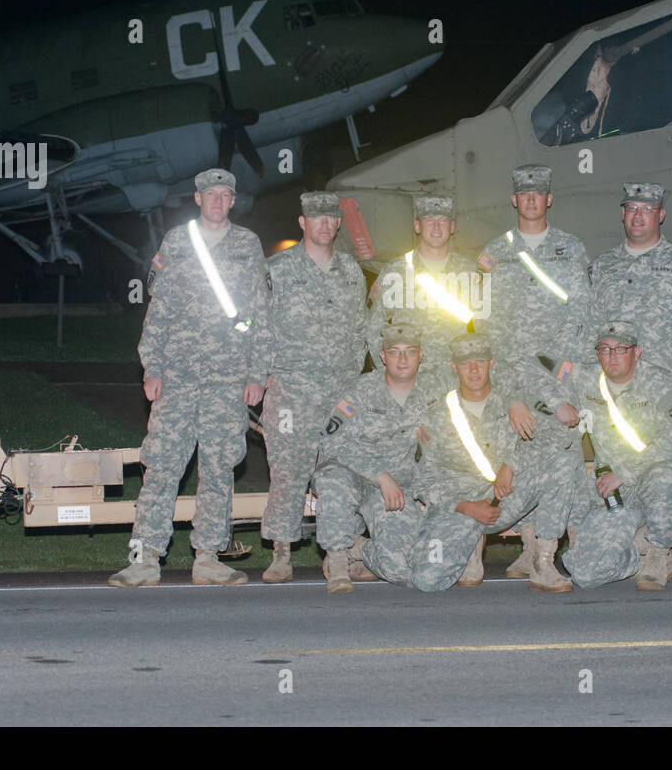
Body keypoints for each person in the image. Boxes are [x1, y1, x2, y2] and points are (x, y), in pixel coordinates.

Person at [109, 167, 270, 588]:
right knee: (162, 465)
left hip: (228, 378)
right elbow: (158, 310)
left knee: (219, 467)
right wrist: (152, 367)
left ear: (233, 201)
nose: (217, 200)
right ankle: (145, 557)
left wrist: (257, 373)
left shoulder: (247, 245)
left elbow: (259, 314)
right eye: (208, 194)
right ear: (196, 199)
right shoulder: (177, 242)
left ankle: (208, 557)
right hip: (177, 377)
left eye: (224, 194)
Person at [477, 163, 594, 591]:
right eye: (523, 193)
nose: (530, 200)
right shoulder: (495, 253)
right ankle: (524, 547)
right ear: (514, 200)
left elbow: (583, 315)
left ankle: (542, 554)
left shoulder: (570, 248)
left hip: (556, 380)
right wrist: (509, 396)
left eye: (538, 193)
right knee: (517, 460)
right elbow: (486, 331)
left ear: (549, 199)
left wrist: (566, 377)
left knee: (559, 461)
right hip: (512, 381)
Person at [547, 321, 672, 589]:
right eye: (605, 349)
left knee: (664, 478)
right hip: (616, 488)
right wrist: (554, 403)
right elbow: (540, 366)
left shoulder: (660, 383)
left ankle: (658, 552)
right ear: (597, 354)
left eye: (621, 349)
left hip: (656, 477)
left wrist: (623, 473)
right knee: (585, 575)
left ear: (637, 352)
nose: (612, 356)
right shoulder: (586, 378)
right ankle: (638, 550)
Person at [408, 333, 573, 592]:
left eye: (480, 362)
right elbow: (422, 480)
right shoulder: (436, 415)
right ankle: (470, 544)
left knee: (562, 463)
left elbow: (559, 437)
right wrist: (465, 506)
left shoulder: (513, 404)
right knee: (427, 581)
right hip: (462, 509)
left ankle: (542, 562)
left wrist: (510, 466)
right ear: (454, 367)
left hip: (504, 500)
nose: (473, 370)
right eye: (465, 363)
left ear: (492, 363)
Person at [261, 191, 369, 583]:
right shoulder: (276, 269)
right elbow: (254, 325)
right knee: (288, 470)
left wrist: (360, 382)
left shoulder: (350, 271)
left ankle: (341, 551)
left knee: (340, 470)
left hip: (339, 393)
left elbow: (362, 328)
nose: (324, 224)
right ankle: (281, 552)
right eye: (315, 218)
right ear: (303, 223)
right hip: (291, 392)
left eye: (331, 219)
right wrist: (262, 371)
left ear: (338, 224)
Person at [312, 321, 439, 593]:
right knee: (333, 480)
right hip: (353, 475)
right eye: (394, 352)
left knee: (404, 570)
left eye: (410, 351)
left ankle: (360, 549)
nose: (402, 359)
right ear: (383, 356)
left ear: (421, 355)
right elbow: (332, 442)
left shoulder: (432, 395)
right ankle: (338, 561)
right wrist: (380, 475)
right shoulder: (359, 390)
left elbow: (439, 448)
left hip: (396, 487)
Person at [588, 182, 672, 410]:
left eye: (648, 209)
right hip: (614, 391)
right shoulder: (602, 265)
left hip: (670, 389)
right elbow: (589, 325)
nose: (638, 216)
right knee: (615, 447)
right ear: (623, 214)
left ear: (661, 215)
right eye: (632, 208)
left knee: (671, 447)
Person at [365, 194, 482, 379]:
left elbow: (486, 329)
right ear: (417, 226)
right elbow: (373, 327)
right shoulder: (395, 271)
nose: (436, 227)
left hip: (454, 381)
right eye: (429, 219)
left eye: (443, 220)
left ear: (452, 227)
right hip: (409, 382)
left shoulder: (470, 273)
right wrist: (388, 374)